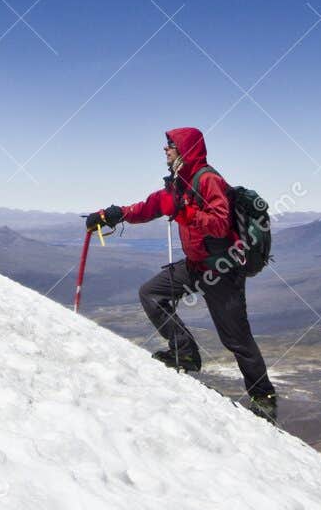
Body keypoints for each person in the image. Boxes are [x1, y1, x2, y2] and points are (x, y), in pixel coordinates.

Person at [86, 127, 277, 422]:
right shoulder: (180, 183)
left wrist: (183, 211)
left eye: (171, 145)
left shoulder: (208, 179)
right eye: (166, 145)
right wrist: (113, 213)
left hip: (221, 270)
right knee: (152, 294)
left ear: (186, 149)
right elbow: (150, 207)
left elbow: (219, 224)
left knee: (236, 339)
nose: (165, 149)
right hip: (195, 264)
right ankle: (185, 352)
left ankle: (263, 395)